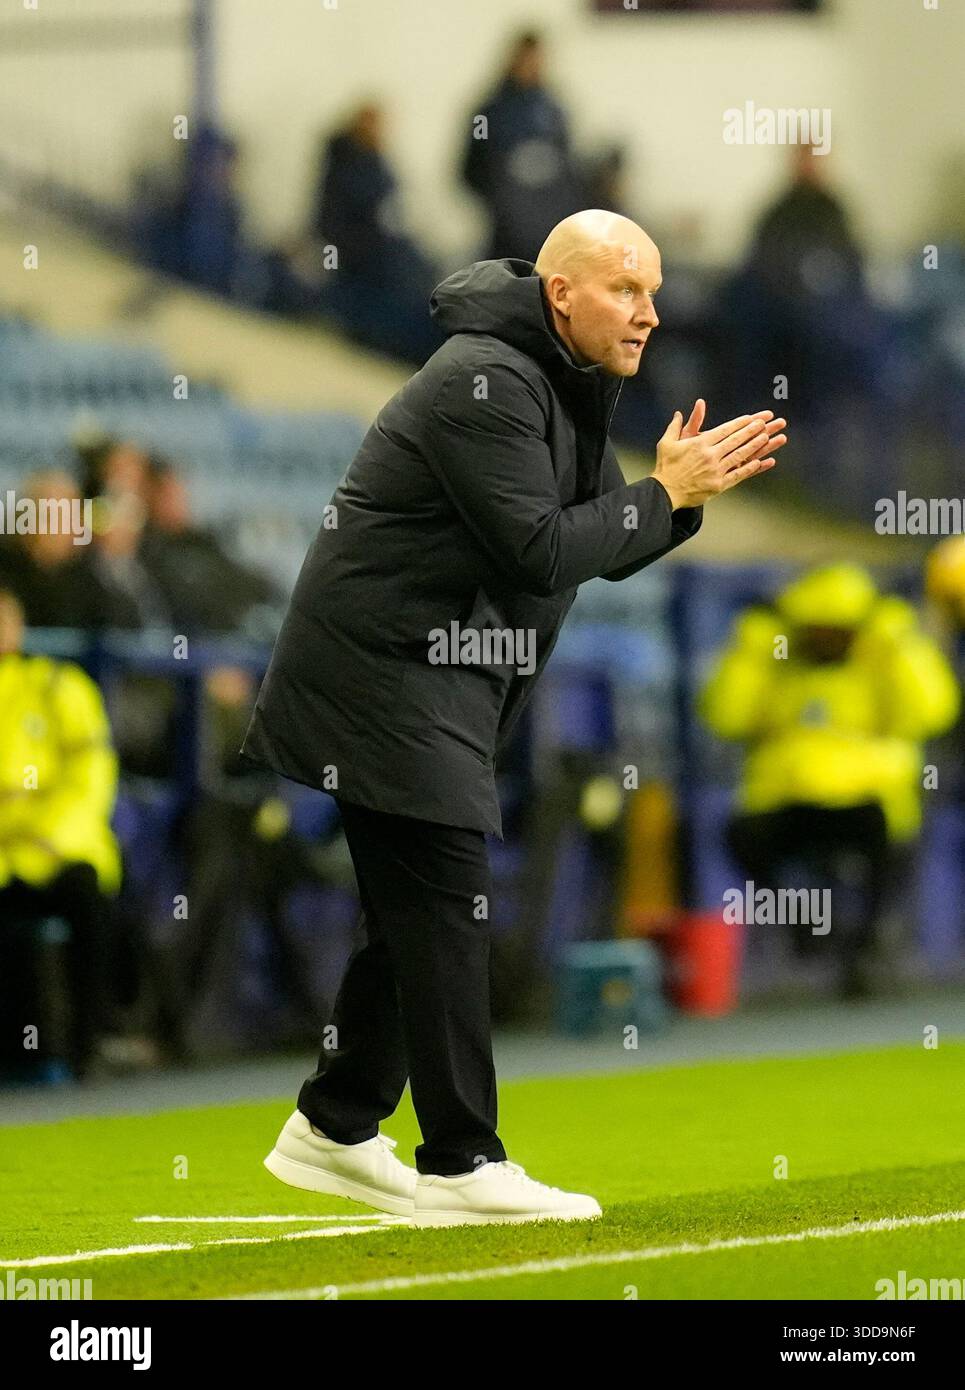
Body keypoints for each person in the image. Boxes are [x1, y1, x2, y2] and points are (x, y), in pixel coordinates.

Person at [240, 208, 786, 1226]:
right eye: (626, 289)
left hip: (430, 676)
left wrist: (677, 495)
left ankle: (333, 1123)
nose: (649, 314)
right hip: (381, 673)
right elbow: (533, 552)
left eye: (653, 291)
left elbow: (592, 542)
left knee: (411, 913)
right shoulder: (482, 381)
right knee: (445, 902)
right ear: (560, 293)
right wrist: (657, 490)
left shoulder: (561, 381)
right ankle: (458, 1158)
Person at [700, 564, 960, 997]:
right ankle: (804, 923)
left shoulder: (882, 654)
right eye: (815, 629)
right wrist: (752, 647)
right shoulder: (777, 658)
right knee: (740, 836)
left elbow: (934, 711)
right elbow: (723, 716)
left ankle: (866, 946)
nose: (826, 639)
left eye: (839, 629)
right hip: (786, 799)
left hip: (868, 801)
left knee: (895, 847)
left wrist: (897, 643)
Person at [0, 589, 123, 1080]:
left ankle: (86, 1046)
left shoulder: (57, 686)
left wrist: (37, 830)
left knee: (86, 900)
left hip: (59, 851)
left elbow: (90, 774)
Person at [461, 30, 585, 263]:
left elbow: (568, 168)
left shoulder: (554, 111)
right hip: (507, 238)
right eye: (527, 59)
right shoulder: (488, 115)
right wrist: (500, 205)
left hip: (548, 235)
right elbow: (470, 168)